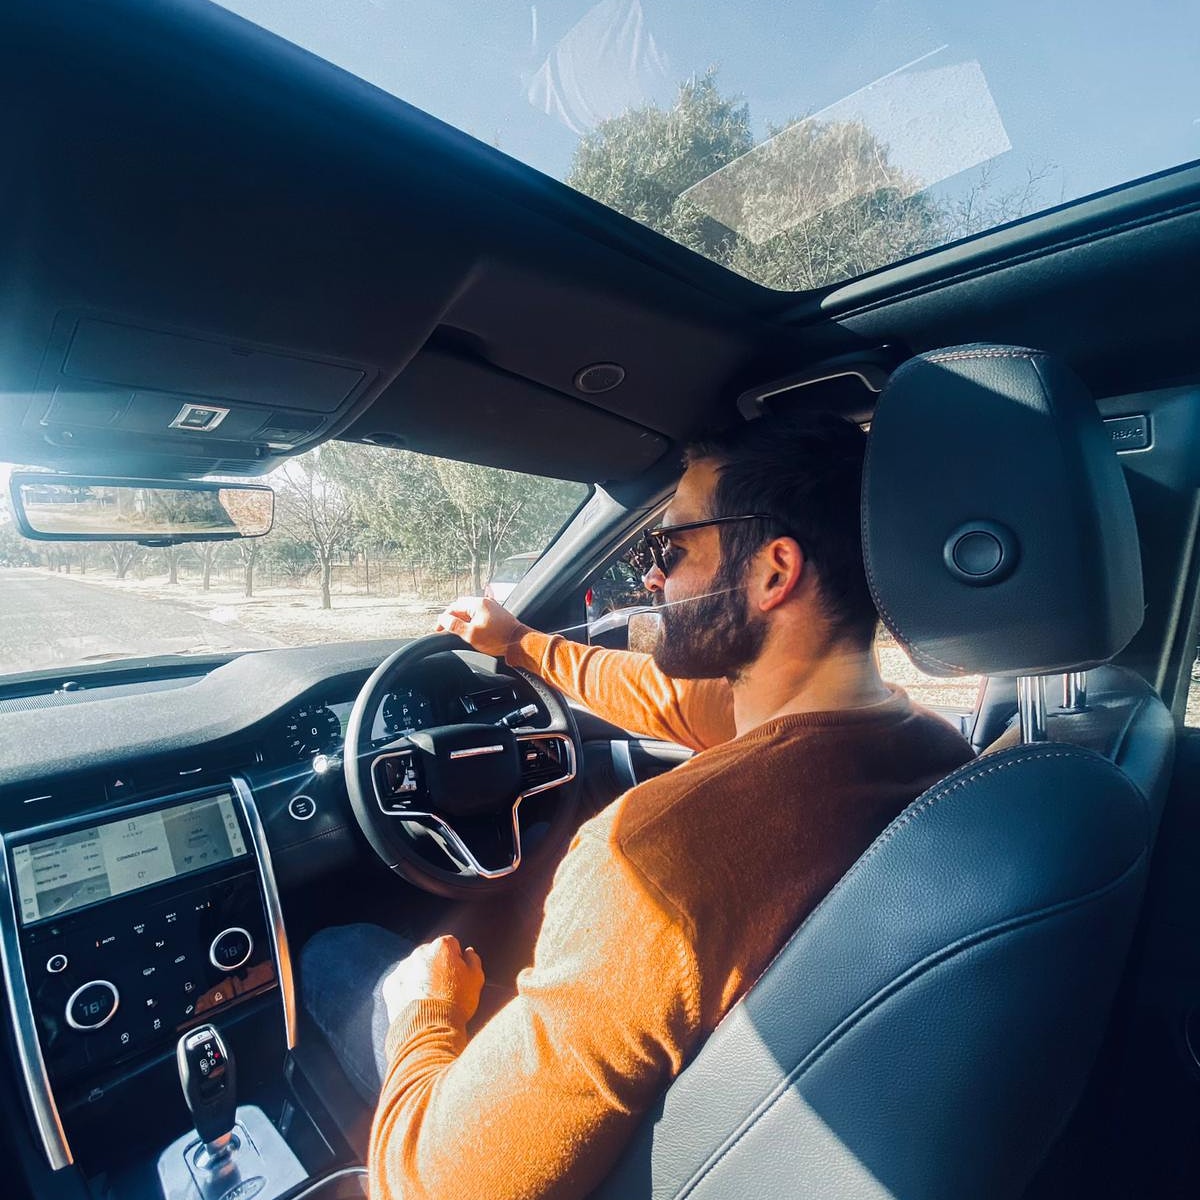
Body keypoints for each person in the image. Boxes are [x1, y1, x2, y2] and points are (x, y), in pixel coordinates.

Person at [300, 411, 975, 1200]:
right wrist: (520, 645)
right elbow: (662, 697)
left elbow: (433, 1185)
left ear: (774, 571)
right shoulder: (931, 749)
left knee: (337, 954)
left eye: (672, 548)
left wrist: (427, 1013)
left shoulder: (647, 860)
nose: (652, 577)